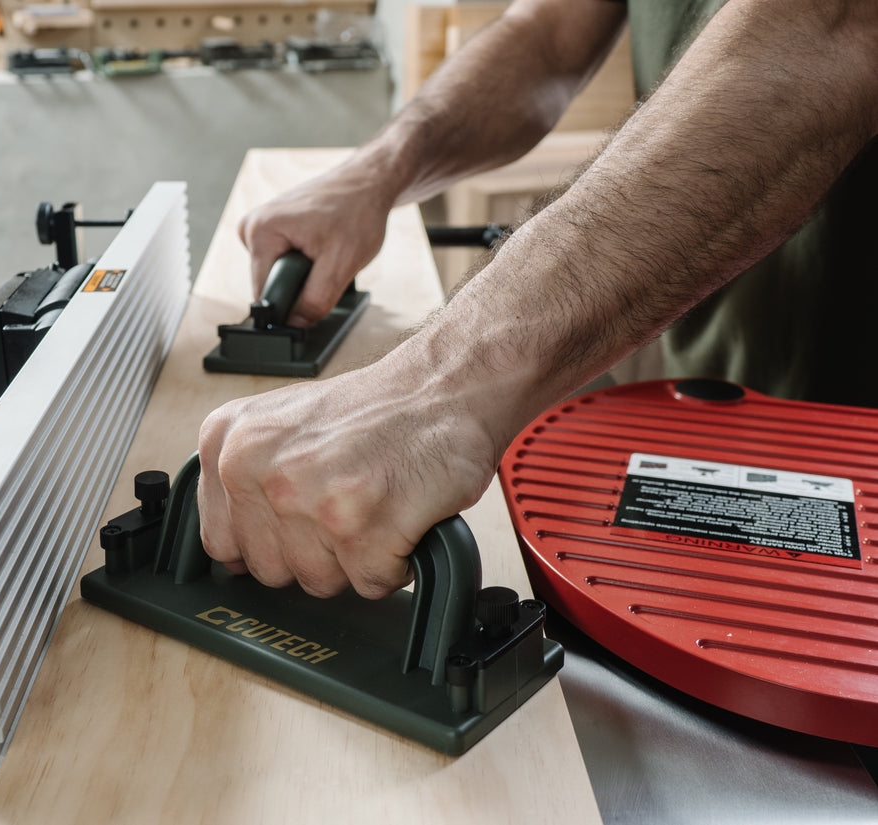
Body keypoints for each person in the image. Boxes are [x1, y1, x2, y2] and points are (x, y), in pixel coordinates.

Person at [197, 0, 878, 600]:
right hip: (724, 396)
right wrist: (378, 171)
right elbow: (547, 34)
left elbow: (829, 30)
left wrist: (437, 384)